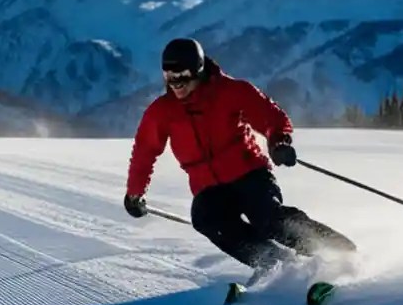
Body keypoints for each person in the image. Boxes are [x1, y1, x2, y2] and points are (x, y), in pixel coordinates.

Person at [124, 37, 356, 278]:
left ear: (198, 69)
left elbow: (272, 117)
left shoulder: (230, 91)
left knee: (267, 219)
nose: (176, 83)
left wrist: (278, 142)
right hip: (209, 188)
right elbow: (145, 150)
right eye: (169, 76)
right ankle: (276, 264)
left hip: (249, 174)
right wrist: (135, 192)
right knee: (205, 217)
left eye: (182, 75)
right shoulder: (162, 111)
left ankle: (338, 253)